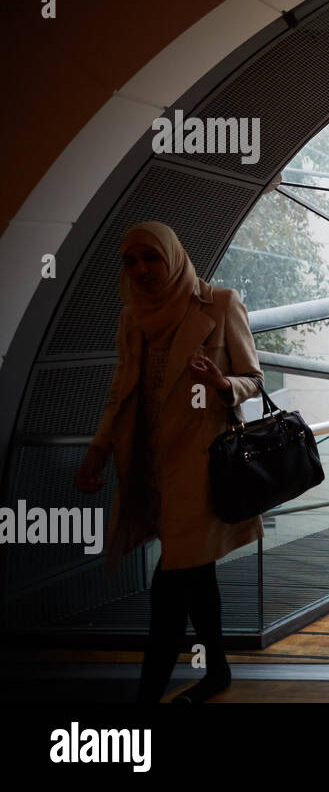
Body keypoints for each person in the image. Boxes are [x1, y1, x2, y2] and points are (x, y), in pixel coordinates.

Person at [74, 221, 264, 704]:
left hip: (200, 474)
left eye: (151, 257)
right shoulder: (131, 318)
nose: (141, 269)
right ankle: (217, 671)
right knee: (197, 577)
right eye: (131, 260)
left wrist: (222, 383)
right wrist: (98, 449)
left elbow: (253, 378)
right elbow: (121, 393)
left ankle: (145, 701)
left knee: (169, 586)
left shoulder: (219, 304)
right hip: (149, 467)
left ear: (173, 257)